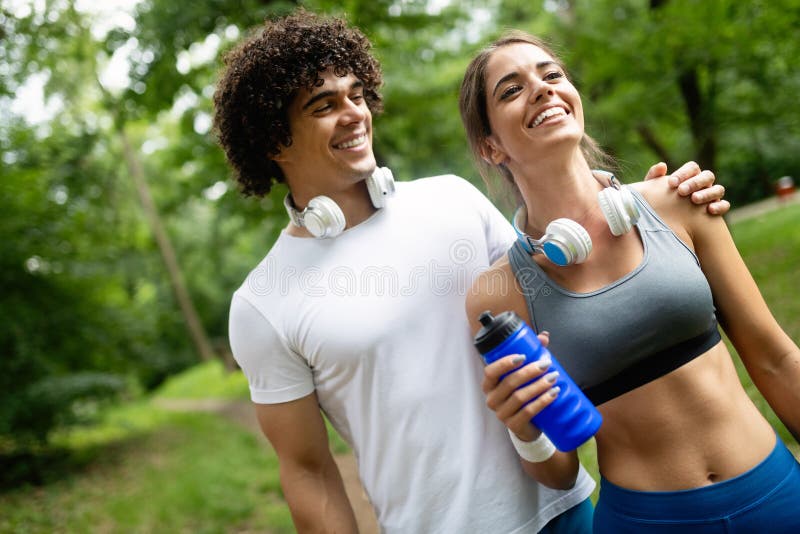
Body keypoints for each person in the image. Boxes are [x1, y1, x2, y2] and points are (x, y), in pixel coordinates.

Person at [214, 10, 729, 533]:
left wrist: (628, 200)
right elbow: (309, 473)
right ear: (274, 140)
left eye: (357, 95)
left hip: (565, 510)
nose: (354, 114)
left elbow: (563, 281)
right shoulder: (263, 303)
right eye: (324, 106)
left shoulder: (453, 200)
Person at [460, 30, 800, 533]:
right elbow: (560, 471)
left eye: (552, 74)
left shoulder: (676, 199)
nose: (541, 88)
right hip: (644, 522)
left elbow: (775, 357)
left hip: (776, 495)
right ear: (490, 146)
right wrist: (522, 427)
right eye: (511, 90)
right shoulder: (499, 293)